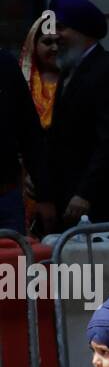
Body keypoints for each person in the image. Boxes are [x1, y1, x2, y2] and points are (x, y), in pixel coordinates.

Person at [39, 0, 109, 227]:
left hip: (99, 200)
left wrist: (86, 193)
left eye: (60, 28)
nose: (54, 36)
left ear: (83, 32)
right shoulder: (69, 70)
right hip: (67, 196)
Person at [0, 48, 52, 234]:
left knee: (14, 260)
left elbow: (30, 134)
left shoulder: (4, 64)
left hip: (5, 195)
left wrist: (44, 196)